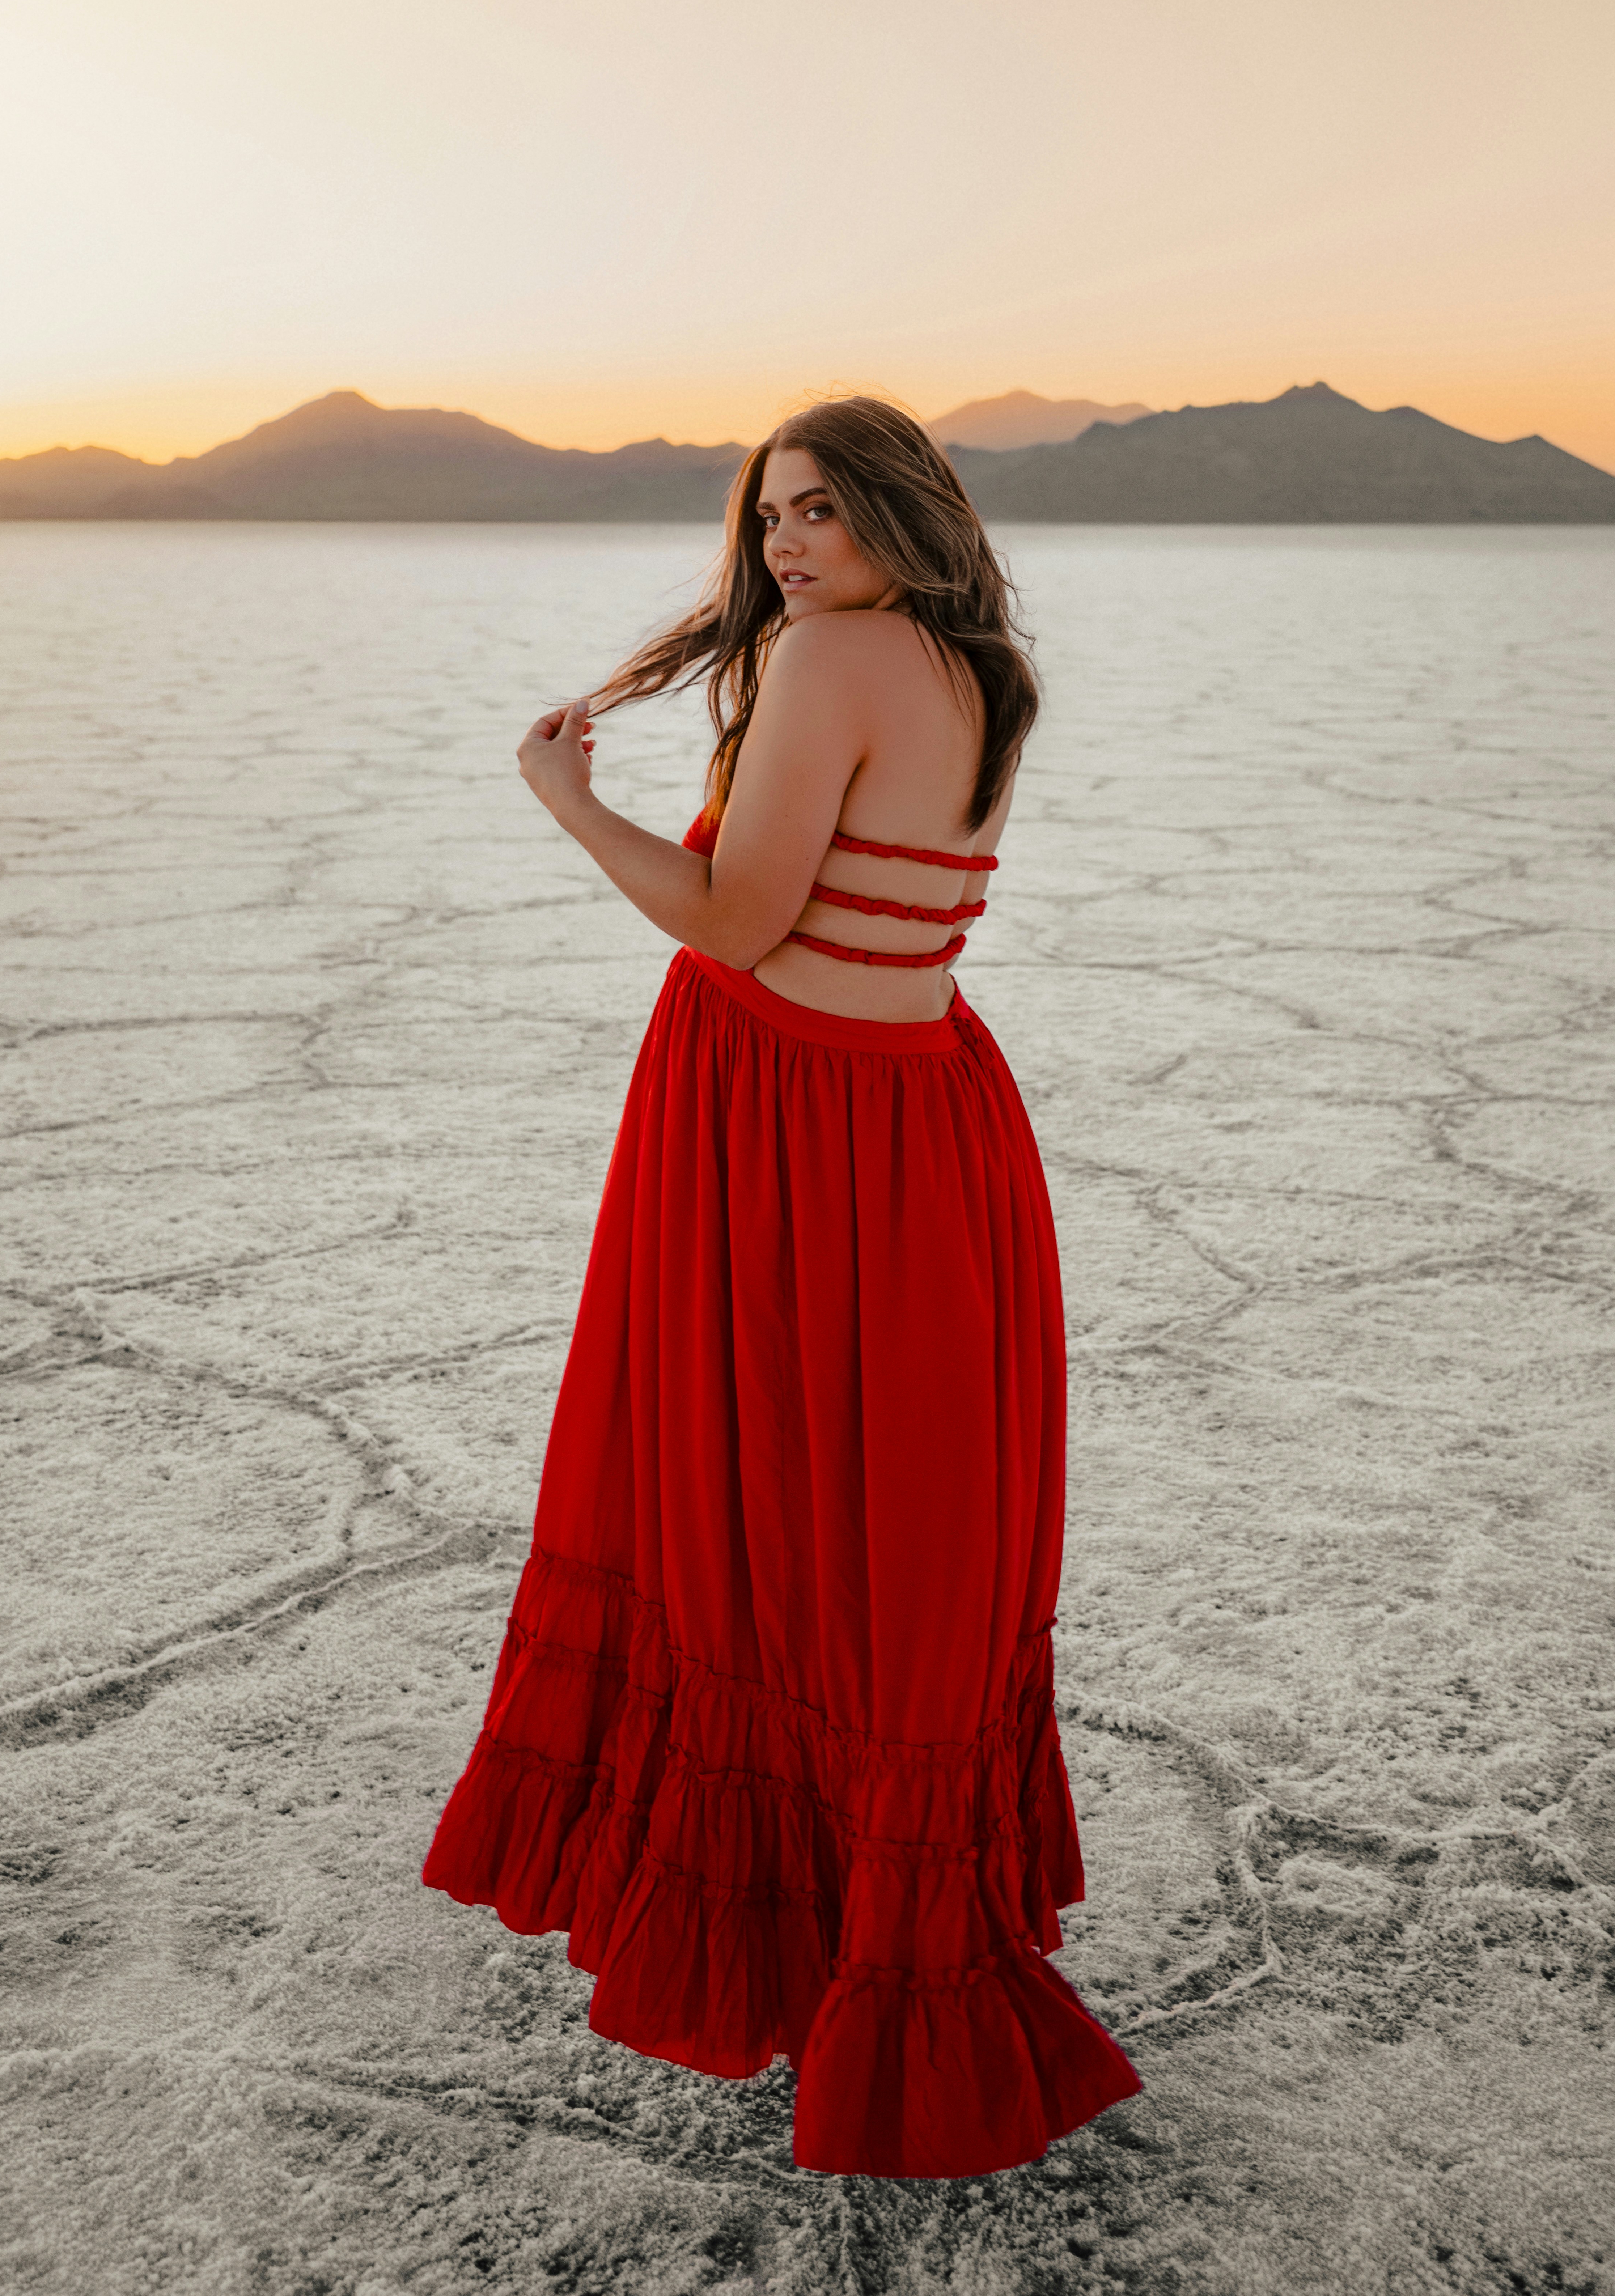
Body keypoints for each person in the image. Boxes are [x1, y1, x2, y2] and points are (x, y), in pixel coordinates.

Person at [423, 396, 1139, 2178]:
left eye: (818, 511)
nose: (784, 547)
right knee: (871, 1537)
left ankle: (801, 1941)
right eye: (766, 519)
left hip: (791, 1120)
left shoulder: (828, 660)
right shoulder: (980, 668)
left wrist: (568, 804)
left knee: (762, 1516)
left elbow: (734, 921)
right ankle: (862, 1919)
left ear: (900, 509)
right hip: (916, 1117)